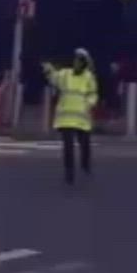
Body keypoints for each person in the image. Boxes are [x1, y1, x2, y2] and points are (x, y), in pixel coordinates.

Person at [44, 48, 98, 186]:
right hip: (66, 117)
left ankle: (85, 164)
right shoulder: (65, 74)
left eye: (79, 61)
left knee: (84, 144)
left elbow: (93, 94)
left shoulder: (88, 77)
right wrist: (49, 70)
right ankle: (69, 172)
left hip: (81, 118)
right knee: (68, 147)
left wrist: (89, 103)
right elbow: (54, 78)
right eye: (75, 60)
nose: (76, 63)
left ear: (84, 64)